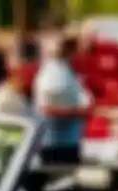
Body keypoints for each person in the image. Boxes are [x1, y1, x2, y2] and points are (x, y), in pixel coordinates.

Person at [33, 35, 91, 166]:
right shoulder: (55, 73)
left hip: (68, 140)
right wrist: (80, 113)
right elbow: (47, 108)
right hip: (56, 143)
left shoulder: (66, 70)